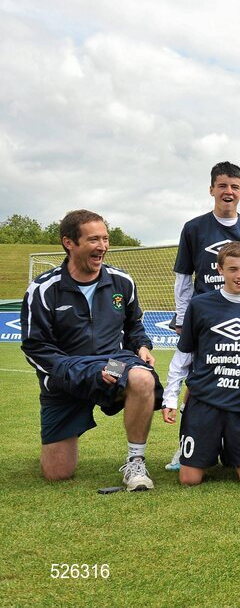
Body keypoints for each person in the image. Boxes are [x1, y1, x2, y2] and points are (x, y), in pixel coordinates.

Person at [22, 209, 161, 490]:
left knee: (142, 376)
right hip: (66, 376)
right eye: (93, 240)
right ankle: (57, 442)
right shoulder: (43, 289)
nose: (102, 247)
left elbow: (134, 327)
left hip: (112, 363)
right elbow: (36, 348)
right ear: (69, 243)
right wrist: (84, 372)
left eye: (105, 239)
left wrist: (142, 346)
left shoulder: (122, 282)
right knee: (57, 473)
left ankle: (135, 461)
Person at [164, 161, 240, 470]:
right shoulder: (194, 227)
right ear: (211, 189)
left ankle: (235, 444)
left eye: (234, 187)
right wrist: (182, 320)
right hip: (204, 315)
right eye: (222, 186)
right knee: (196, 382)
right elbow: (184, 278)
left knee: (234, 375)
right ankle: (186, 445)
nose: (228, 191)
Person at [166, 242, 240, 486]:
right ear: (219, 269)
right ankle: (208, 444)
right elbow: (184, 353)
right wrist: (170, 397)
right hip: (205, 402)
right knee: (189, 480)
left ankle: (227, 446)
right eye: (233, 269)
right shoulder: (200, 304)